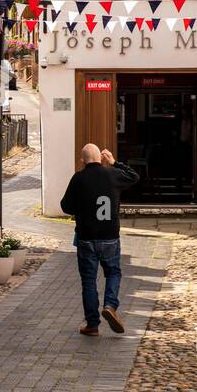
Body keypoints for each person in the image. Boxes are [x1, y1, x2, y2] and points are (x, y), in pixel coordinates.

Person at [60, 144, 139, 337]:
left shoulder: (78, 178)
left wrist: (82, 207)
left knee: (88, 281)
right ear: (101, 159)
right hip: (110, 236)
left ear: (82, 160)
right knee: (113, 272)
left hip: (86, 237)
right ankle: (110, 305)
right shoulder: (112, 174)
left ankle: (92, 325)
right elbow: (134, 176)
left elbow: (66, 206)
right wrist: (115, 163)